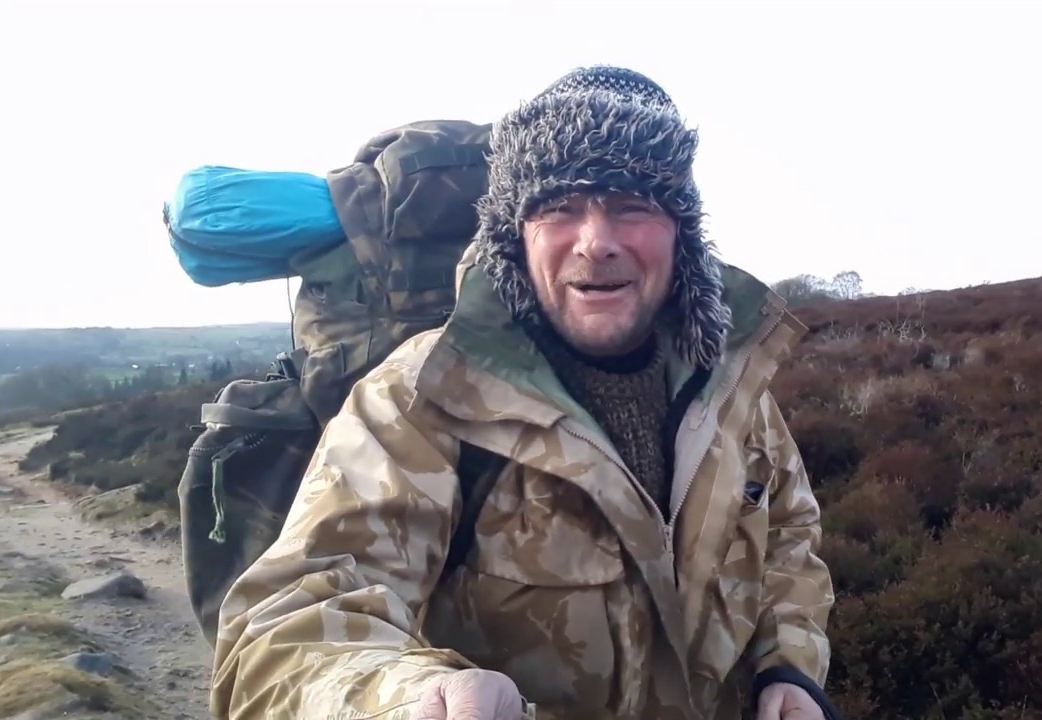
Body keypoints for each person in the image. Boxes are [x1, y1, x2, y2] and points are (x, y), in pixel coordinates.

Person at [209, 65, 839, 720]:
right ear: (516, 233)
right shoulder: (423, 397)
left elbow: (790, 537)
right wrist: (409, 699)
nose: (597, 243)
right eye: (560, 207)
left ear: (681, 231)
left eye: (633, 206)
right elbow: (290, 625)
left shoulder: (730, 386)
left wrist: (788, 664)